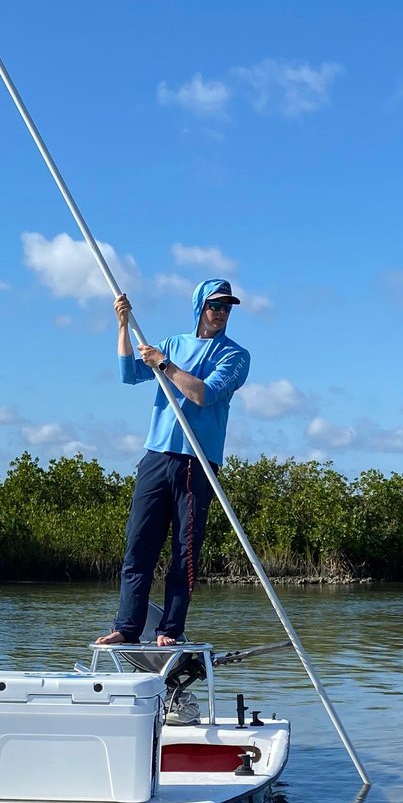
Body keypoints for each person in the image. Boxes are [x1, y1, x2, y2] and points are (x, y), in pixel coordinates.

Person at [98, 277, 250, 647]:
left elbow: (202, 394)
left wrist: (164, 364)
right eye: (215, 306)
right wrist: (122, 326)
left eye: (226, 307)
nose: (221, 313)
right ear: (201, 306)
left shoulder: (235, 355)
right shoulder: (172, 343)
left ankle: (170, 629)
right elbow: (129, 374)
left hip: (195, 462)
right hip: (156, 455)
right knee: (139, 545)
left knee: (184, 552)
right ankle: (127, 627)